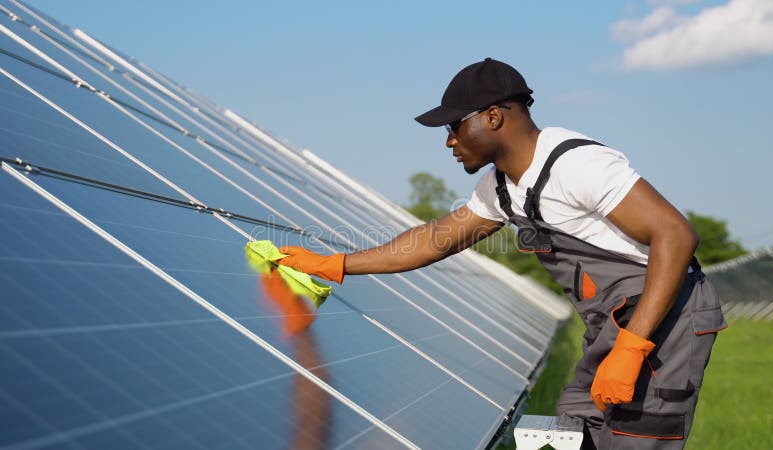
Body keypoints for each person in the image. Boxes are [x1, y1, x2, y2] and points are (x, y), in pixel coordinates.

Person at [277, 58, 727, 450]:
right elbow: (436, 238)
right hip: (613, 324)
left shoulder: (575, 165)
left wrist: (632, 348)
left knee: (633, 437)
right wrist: (336, 265)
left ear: (493, 116)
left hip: (664, 319)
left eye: (454, 126)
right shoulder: (501, 188)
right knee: (576, 427)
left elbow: (675, 235)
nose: (449, 141)